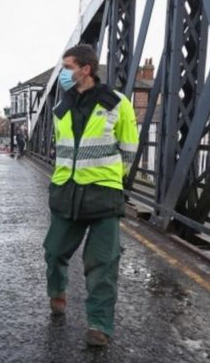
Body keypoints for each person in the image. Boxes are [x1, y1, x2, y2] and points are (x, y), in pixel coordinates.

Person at [43, 44, 138, 347]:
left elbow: (128, 149)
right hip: (67, 192)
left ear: (86, 69)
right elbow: (62, 151)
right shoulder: (60, 108)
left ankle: (99, 325)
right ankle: (57, 290)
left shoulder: (117, 103)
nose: (64, 74)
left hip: (103, 195)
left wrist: (111, 180)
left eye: (68, 67)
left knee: (102, 263)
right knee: (54, 251)